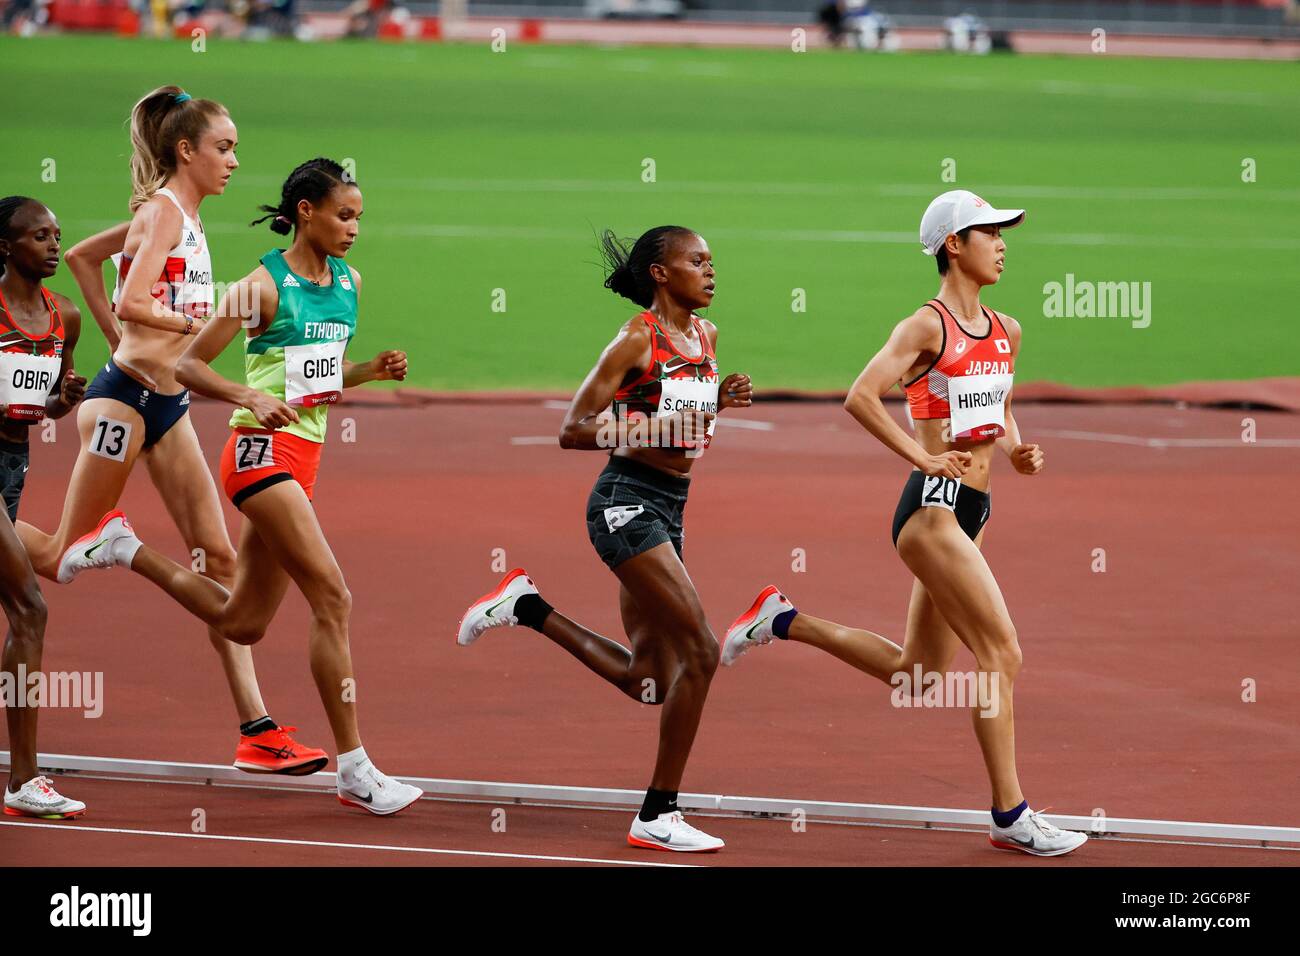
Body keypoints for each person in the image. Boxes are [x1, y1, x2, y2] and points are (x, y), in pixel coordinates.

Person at [722, 190, 1087, 857]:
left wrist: (1015, 450)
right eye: (990, 233)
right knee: (1002, 654)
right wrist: (922, 456)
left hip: (972, 511)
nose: (1003, 243)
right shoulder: (927, 327)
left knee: (915, 671)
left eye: (1005, 233)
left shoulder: (1007, 327)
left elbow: (995, 403)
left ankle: (780, 619)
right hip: (933, 511)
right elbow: (860, 396)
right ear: (955, 245)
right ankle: (1011, 815)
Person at [59, 158, 423, 817]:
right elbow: (192, 360)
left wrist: (370, 370)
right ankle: (356, 770)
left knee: (243, 621)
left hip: (304, 456)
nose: (354, 229)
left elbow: (317, 376)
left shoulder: (349, 281)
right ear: (306, 211)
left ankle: (124, 548)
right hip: (257, 452)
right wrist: (246, 391)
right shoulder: (261, 284)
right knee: (333, 597)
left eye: (360, 218)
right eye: (344, 215)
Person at [17, 86, 327, 777]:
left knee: (217, 561)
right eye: (224, 147)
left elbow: (83, 262)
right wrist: (193, 327)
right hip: (123, 405)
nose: (235, 162)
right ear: (186, 151)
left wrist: (122, 336)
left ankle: (257, 729)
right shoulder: (161, 212)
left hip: (167, 406)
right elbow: (133, 298)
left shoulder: (179, 214)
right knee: (60, 556)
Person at [457, 226, 753, 852]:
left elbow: (688, 419)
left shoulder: (707, 337)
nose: (710, 271)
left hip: (672, 507)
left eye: (711, 261)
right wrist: (666, 423)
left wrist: (718, 403)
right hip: (625, 503)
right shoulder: (633, 340)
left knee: (647, 680)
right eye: (696, 261)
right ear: (660, 273)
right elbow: (573, 429)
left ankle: (526, 607)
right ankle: (657, 813)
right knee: (700, 651)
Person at [0, 196, 86, 818]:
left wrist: (65, 400)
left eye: (57, 235)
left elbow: (47, 402)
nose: (53, 245)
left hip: (12, 468)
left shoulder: (65, 316)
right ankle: (24, 780)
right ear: (6, 247)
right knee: (29, 606)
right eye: (38, 236)